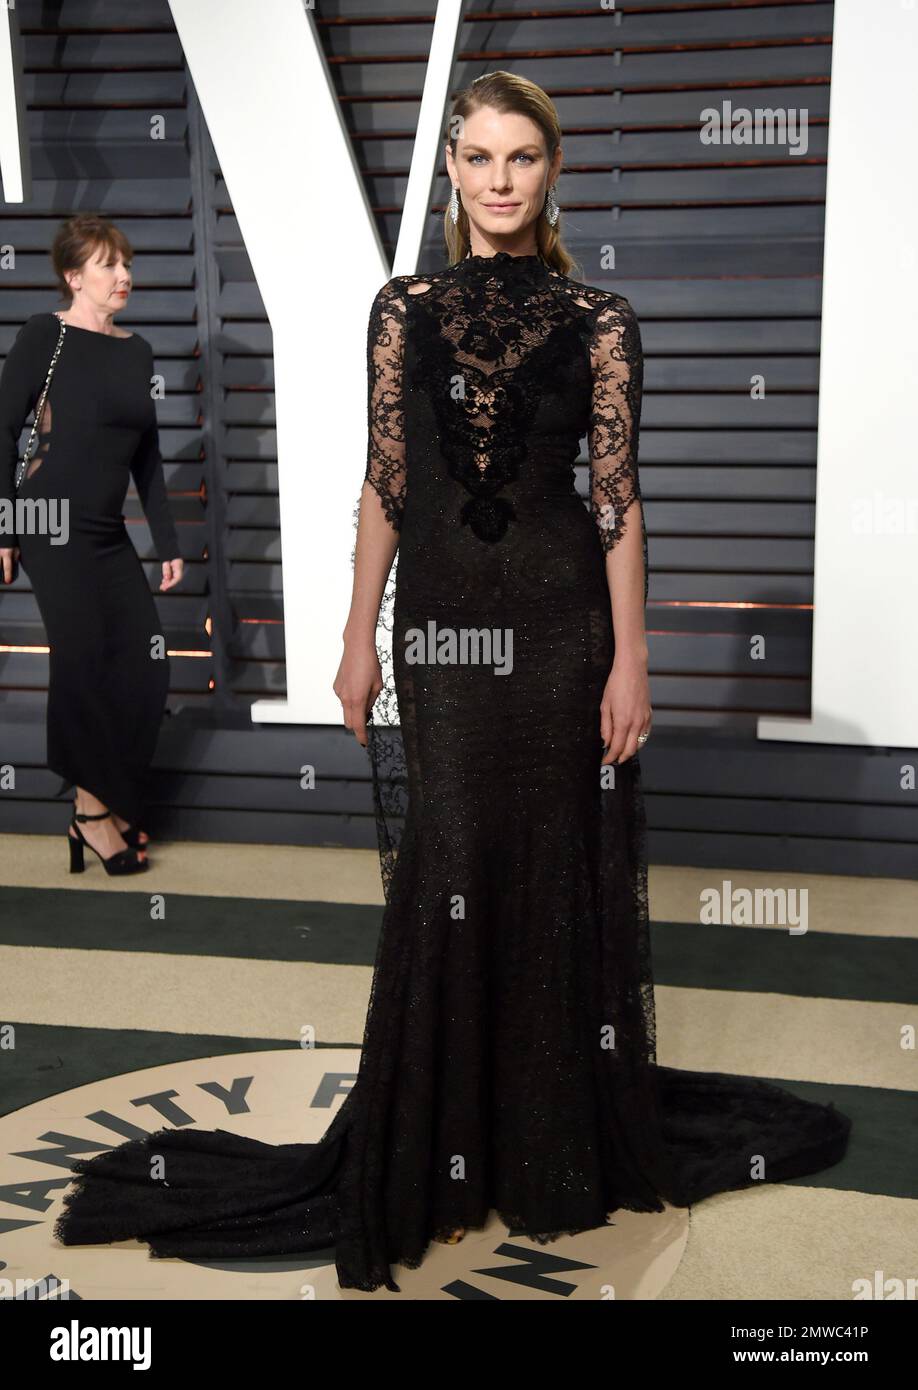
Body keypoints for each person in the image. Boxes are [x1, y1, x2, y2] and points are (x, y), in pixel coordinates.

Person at [52, 75, 851, 1293]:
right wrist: (354, 631)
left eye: (522, 157)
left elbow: (622, 502)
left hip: (560, 619)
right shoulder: (403, 308)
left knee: (549, 856)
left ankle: (544, 1133)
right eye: (478, 157)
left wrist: (634, 658)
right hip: (437, 626)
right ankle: (445, 1132)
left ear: (550, 171)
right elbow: (385, 482)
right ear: (455, 176)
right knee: (455, 853)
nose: (499, 179)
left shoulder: (601, 318)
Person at [0, 215, 183, 875]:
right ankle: (94, 814)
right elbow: (1, 428)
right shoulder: (43, 335)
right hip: (48, 523)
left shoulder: (136, 351)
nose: (124, 276)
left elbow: (149, 457)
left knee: (143, 666)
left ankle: (101, 805)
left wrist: (166, 541)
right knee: (82, 663)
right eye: (108, 265)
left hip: (107, 534)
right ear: (74, 276)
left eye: (126, 264)